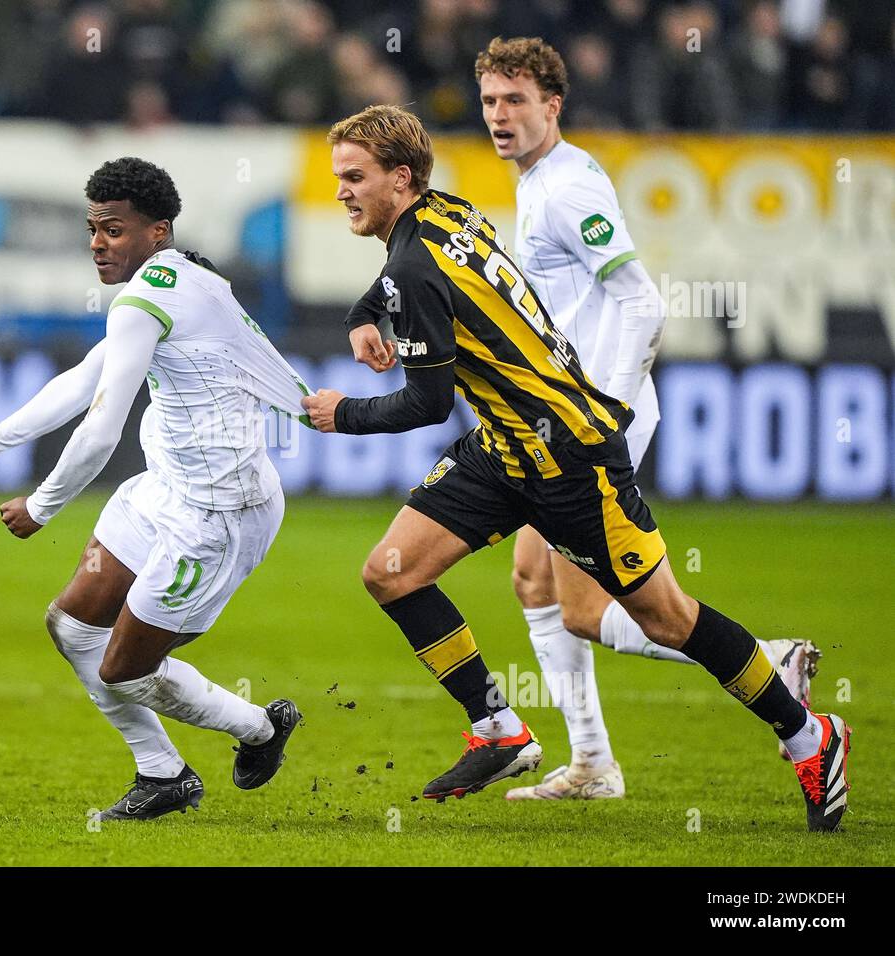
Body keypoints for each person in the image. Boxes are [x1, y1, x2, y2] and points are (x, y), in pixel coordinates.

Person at [300, 105, 851, 831]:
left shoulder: (412, 264)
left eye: (354, 176)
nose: (341, 190)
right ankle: (498, 730)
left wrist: (344, 414)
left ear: (400, 178)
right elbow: (398, 284)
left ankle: (810, 737)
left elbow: (427, 403)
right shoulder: (447, 212)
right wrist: (363, 314)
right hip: (504, 450)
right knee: (392, 572)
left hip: (570, 459)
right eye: (339, 176)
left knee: (667, 618)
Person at [474, 36, 820, 801]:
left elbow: (642, 301)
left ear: (551, 105)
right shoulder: (542, 179)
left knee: (591, 611)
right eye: (491, 100)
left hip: (591, 426)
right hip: (564, 422)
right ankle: (592, 763)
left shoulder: (567, 190)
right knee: (532, 578)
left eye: (515, 100)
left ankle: (770, 660)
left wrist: (604, 408)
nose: (499, 114)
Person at [0, 158, 307, 820]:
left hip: (219, 514)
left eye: (113, 230)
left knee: (124, 669)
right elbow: (82, 380)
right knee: (72, 627)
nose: (97, 243)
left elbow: (101, 429)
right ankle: (163, 774)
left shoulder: (153, 294)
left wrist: (41, 506)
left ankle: (262, 728)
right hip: (166, 489)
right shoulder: (170, 281)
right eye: (92, 229)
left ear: (158, 231)